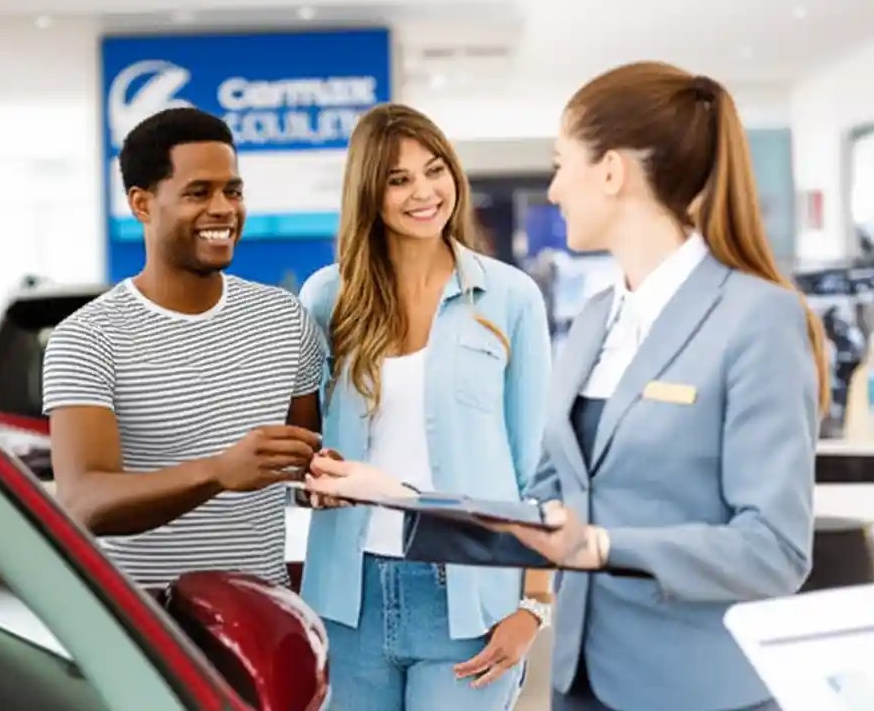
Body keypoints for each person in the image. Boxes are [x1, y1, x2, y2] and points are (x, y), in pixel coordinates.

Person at [306, 62, 827, 711]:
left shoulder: (759, 316)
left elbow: (773, 550)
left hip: (698, 685)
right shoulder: (597, 319)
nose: (552, 191)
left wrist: (579, 560)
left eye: (561, 165)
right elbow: (547, 494)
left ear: (609, 172)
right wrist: (399, 494)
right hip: (583, 681)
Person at [296, 102, 555, 710]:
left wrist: (534, 605)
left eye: (435, 170)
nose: (424, 192)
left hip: (468, 600)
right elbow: (302, 447)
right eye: (398, 178)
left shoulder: (509, 297)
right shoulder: (326, 298)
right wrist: (312, 478)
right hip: (348, 598)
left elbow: (539, 469)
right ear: (370, 192)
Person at [41, 107, 324, 592]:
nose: (223, 209)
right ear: (142, 204)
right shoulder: (87, 338)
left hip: (266, 620)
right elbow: (83, 501)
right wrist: (218, 472)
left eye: (232, 191)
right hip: (143, 631)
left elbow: (305, 471)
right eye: (199, 193)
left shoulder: (284, 319)